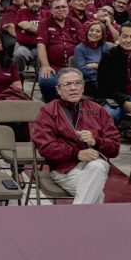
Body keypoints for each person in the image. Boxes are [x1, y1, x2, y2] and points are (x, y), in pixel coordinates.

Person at [31, 68, 120, 204]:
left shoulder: (98, 110)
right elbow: (46, 147)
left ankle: (75, 222)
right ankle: (78, 221)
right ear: (58, 90)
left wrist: (95, 141)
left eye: (77, 83)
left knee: (97, 166)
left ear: (83, 87)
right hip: (64, 170)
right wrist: (76, 154)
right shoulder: (48, 111)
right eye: (67, 84)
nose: (73, 88)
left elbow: (114, 148)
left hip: (94, 165)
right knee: (97, 196)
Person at [36, 0, 84, 102]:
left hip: (74, 66)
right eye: (57, 7)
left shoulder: (75, 22)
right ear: (51, 10)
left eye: (63, 7)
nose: (61, 9)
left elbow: (83, 44)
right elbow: (41, 45)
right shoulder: (44, 23)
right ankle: (52, 104)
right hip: (53, 67)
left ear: (68, 8)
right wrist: (45, 66)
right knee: (46, 81)